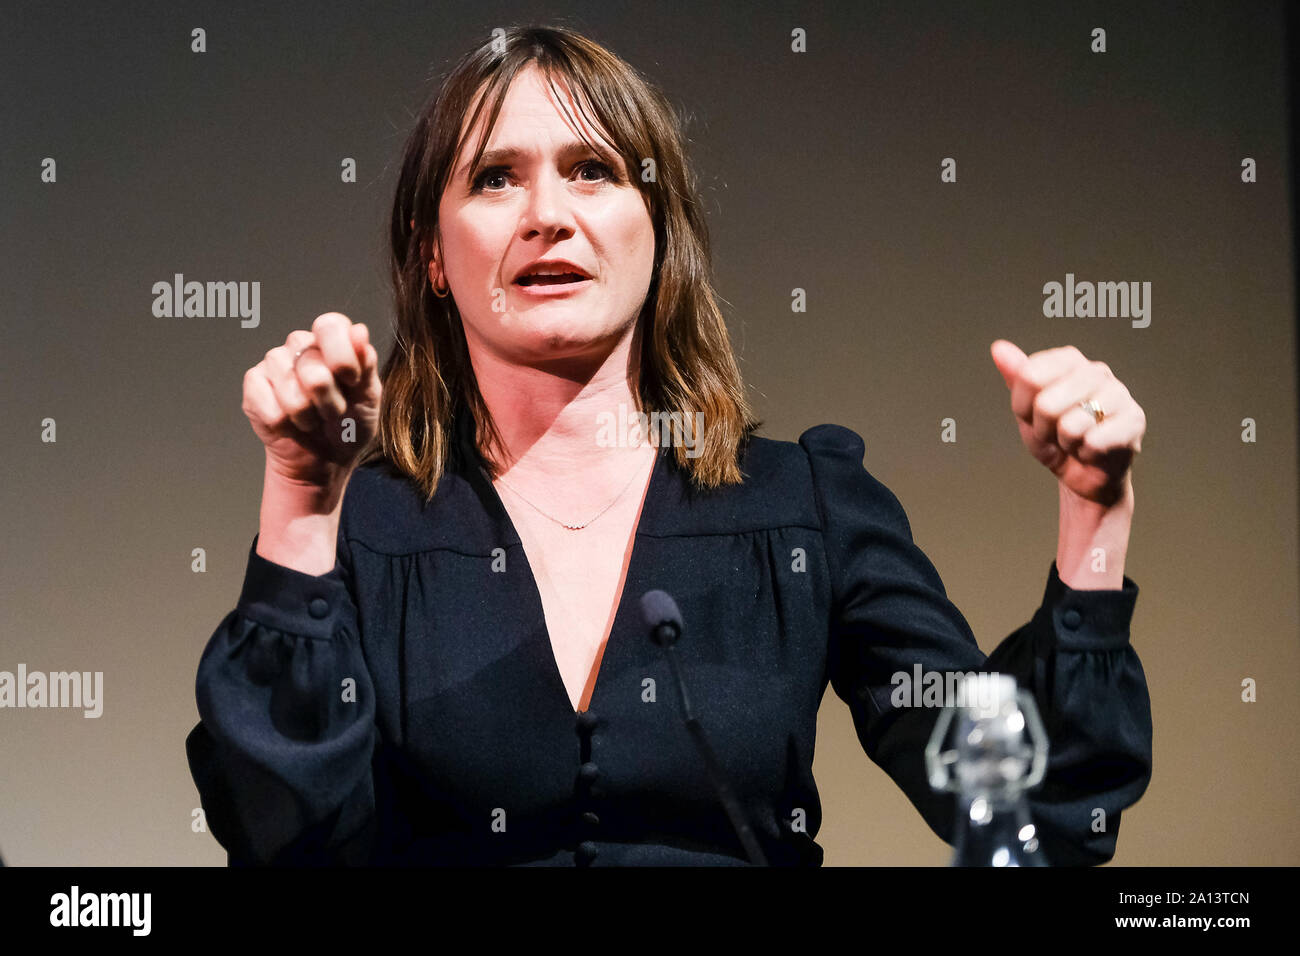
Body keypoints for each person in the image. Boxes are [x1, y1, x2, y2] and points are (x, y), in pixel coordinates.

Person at [185, 25, 1152, 866]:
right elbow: (280, 842)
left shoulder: (804, 506)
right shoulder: (367, 531)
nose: (548, 215)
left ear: (660, 230)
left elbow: (1040, 816)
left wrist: (1095, 516)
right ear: (433, 254)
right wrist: (302, 501)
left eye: (595, 170)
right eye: (494, 179)